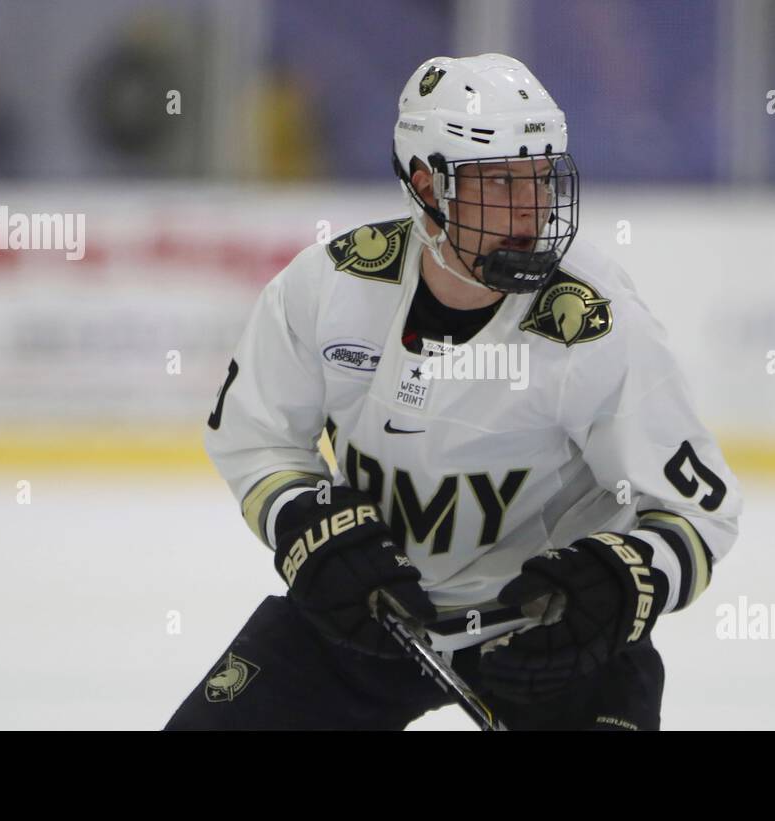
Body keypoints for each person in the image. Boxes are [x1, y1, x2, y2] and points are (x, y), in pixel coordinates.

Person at [165, 53, 741, 731]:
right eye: (499, 182)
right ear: (426, 186)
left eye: (541, 178)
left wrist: (617, 585)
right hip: (369, 610)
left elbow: (699, 512)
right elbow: (255, 432)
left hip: (549, 634)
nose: (531, 209)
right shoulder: (329, 288)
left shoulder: (597, 324)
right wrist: (306, 522)